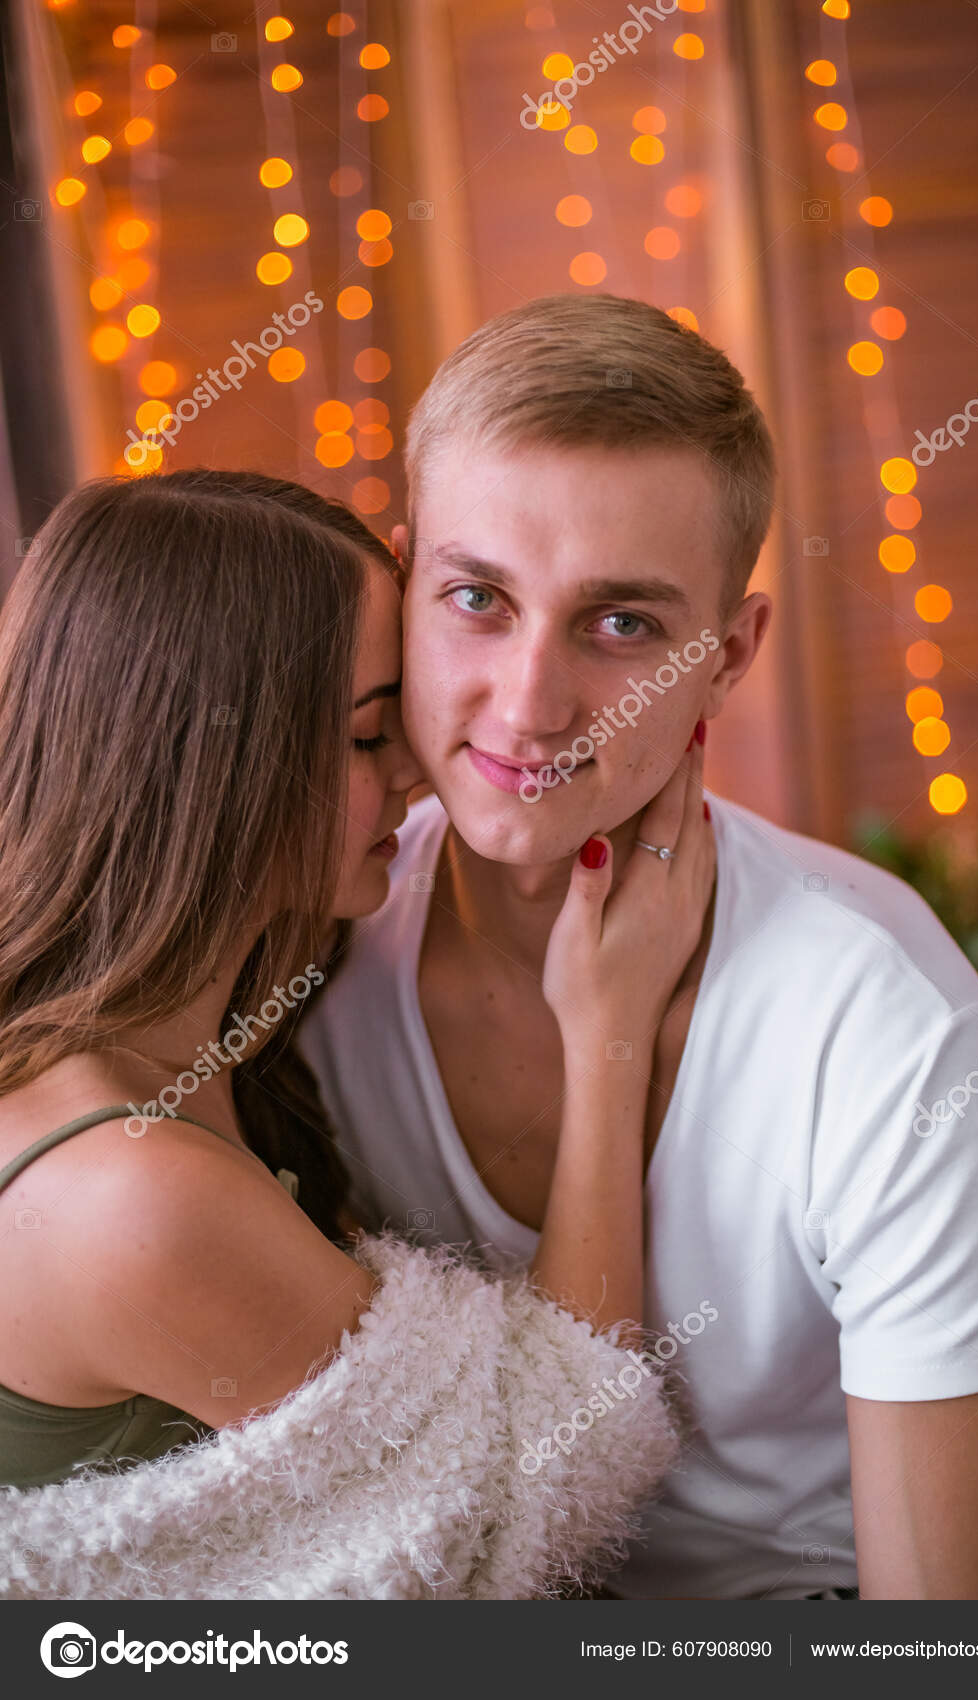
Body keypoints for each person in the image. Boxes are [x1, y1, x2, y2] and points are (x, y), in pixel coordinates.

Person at [298, 292, 978, 1601]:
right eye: (478, 596)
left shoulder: (871, 1010)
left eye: (622, 626)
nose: (531, 705)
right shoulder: (307, 950)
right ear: (403, 586)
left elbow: (957, 1641)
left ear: (728, 656)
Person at [0, 467, 716, 1600]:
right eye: (370, 734)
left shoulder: (212, 1030)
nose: (417, 770)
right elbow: (550, 1474)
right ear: (211, 768)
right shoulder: (131, 1196)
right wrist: (610, 1027)